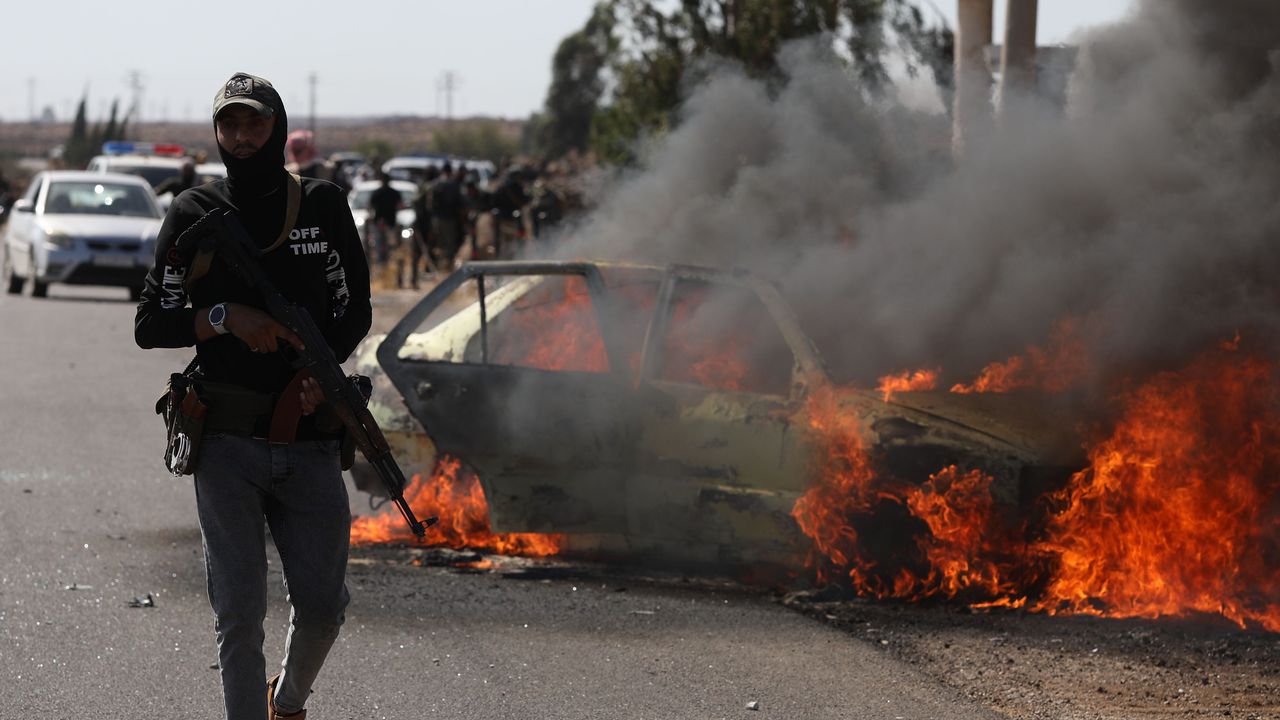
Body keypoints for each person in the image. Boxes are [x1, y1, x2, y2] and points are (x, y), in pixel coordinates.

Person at [134, 72, 371, 720]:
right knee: (238, 613)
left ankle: (287, 702)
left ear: (276, 128)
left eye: (255, 124)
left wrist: (325, 373)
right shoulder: (192, 213)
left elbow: (355, 312)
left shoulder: (323, 206)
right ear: (216, 133)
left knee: (324, 606)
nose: (242, 137)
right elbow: (151, 323)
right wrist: (223, 319)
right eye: (230, 125)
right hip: (228, 446)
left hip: (313, 438)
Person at [366, 171, 401, 266]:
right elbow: (400, 205)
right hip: (390, 222)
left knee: (379, 242)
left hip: (379, 221)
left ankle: (381, 261)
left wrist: (370, 216)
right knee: (389, 243)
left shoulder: (377, 192)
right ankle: (387, 261)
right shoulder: (394, 192)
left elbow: (370, 206)